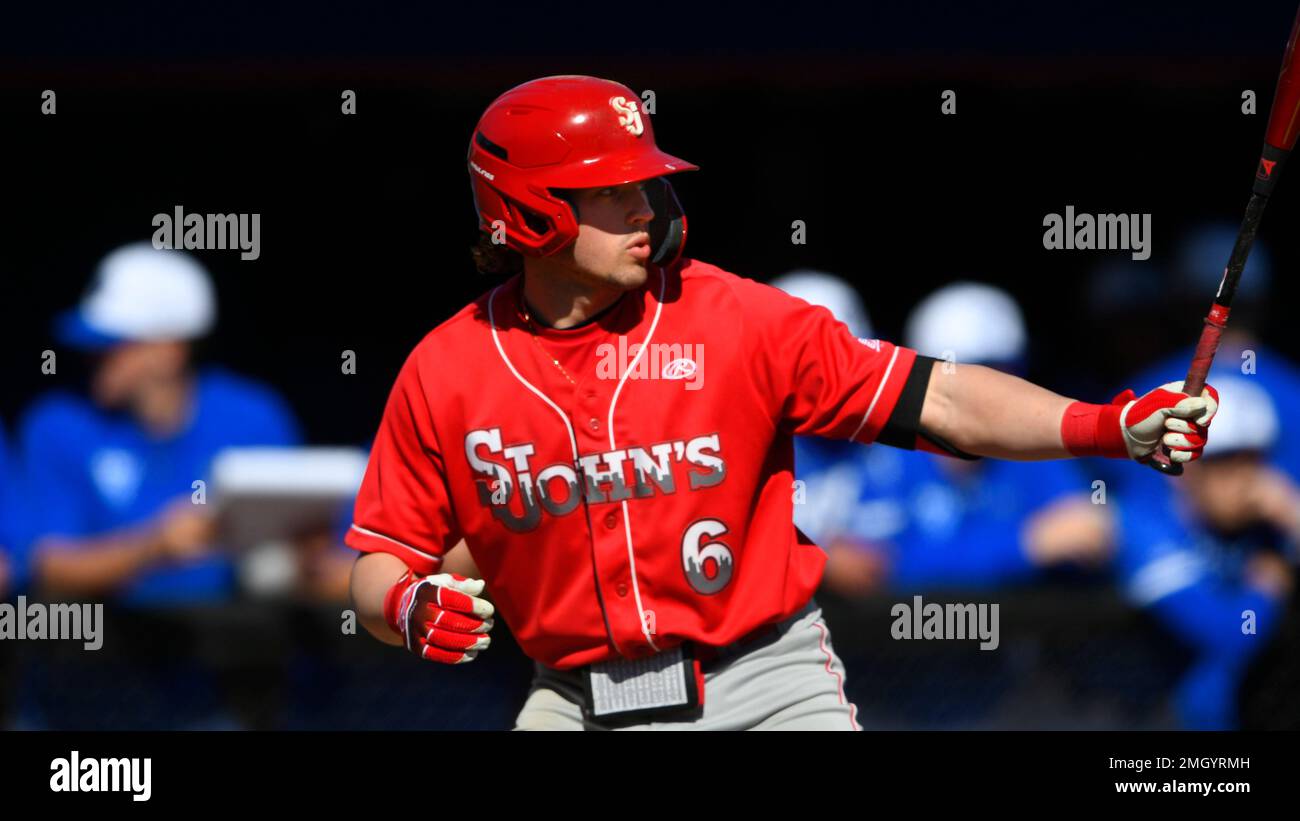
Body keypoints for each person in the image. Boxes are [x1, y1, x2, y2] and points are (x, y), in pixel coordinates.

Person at [346, 75, 1223, 731]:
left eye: (644, 182)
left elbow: (941, 396)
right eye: (610, 191)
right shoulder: (446, 367)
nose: (644, 206)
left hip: (764, 677)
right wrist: (409, 606)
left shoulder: (734, 317)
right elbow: (381, 559)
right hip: (571, 696)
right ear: (528, 212)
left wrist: (1106, 426)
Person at [19, 243, 303, 605]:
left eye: (113, 343)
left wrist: (298, 558)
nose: (92, 355)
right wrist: (153, 547)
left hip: (236, 651)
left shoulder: (252, 417)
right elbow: (45, 571)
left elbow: (295, 558)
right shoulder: (58, 422)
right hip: (97, 655)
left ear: (170, 350)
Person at [1110, 376, 1295, 729]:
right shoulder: (1142, 522)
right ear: (1185, 464)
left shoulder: (1266, 526)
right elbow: (1222, 633)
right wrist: (1269, 583)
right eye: (1224, 462)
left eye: (1252, 460)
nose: (1245, 479)